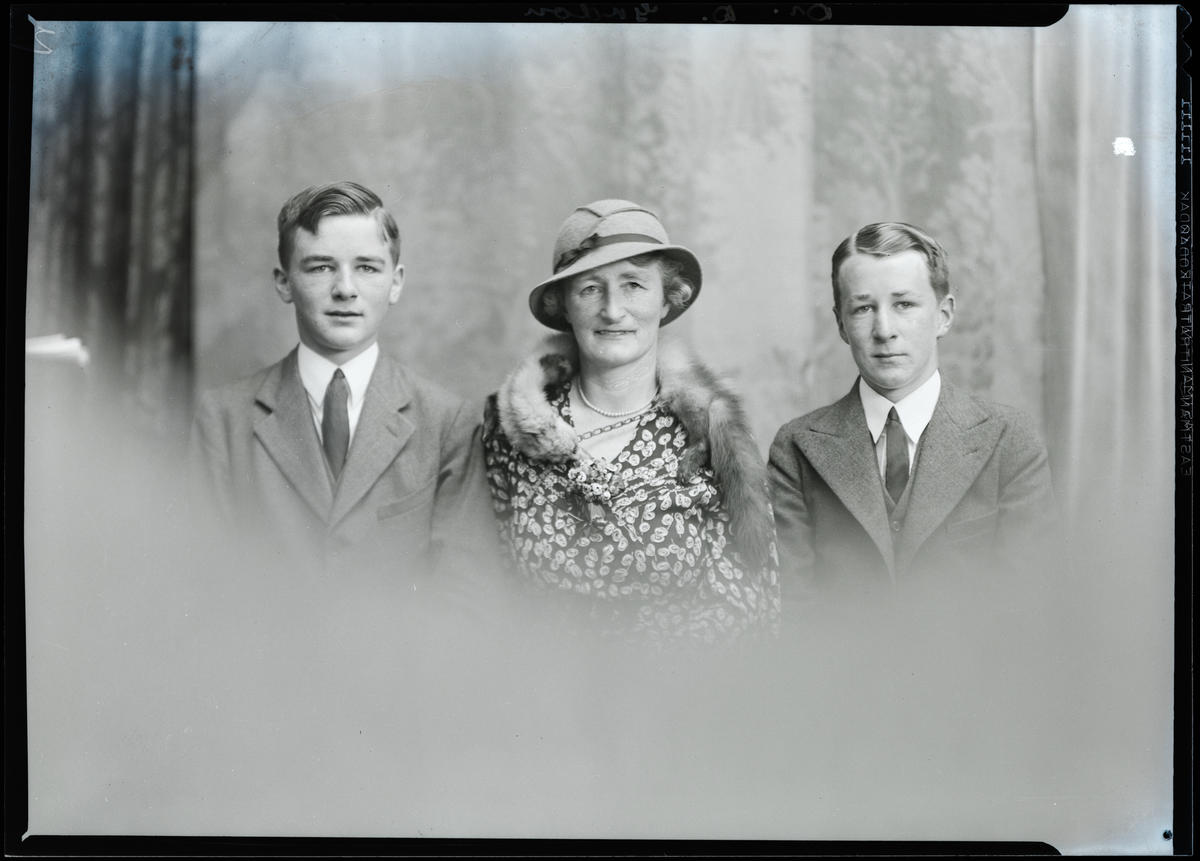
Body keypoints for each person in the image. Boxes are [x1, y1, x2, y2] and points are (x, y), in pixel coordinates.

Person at [482, 199, 780, 644]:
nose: (612, 310)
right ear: (563, 306)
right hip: (542, 694)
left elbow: (752, 603)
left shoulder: (711, 432)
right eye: (589, 289)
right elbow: (488, 591)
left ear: (667, 300)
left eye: (634, 285)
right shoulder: (514, 427)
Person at [191, 181, 494, 584]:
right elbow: (200, 582)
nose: (345, 290)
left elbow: (463, 592)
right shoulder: (223, 418)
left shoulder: (447, 423)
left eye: (367, 268)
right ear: (284, 283)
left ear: (396, 283)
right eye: (320, 267)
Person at [768, 222, 1057, 604]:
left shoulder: (1008, 439)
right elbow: (795, 609)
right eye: (863, 308)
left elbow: (1029, 601)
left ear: (944, 315)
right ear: (841, 324)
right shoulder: (797, 448)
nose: (884, 330)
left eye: (904, 304)